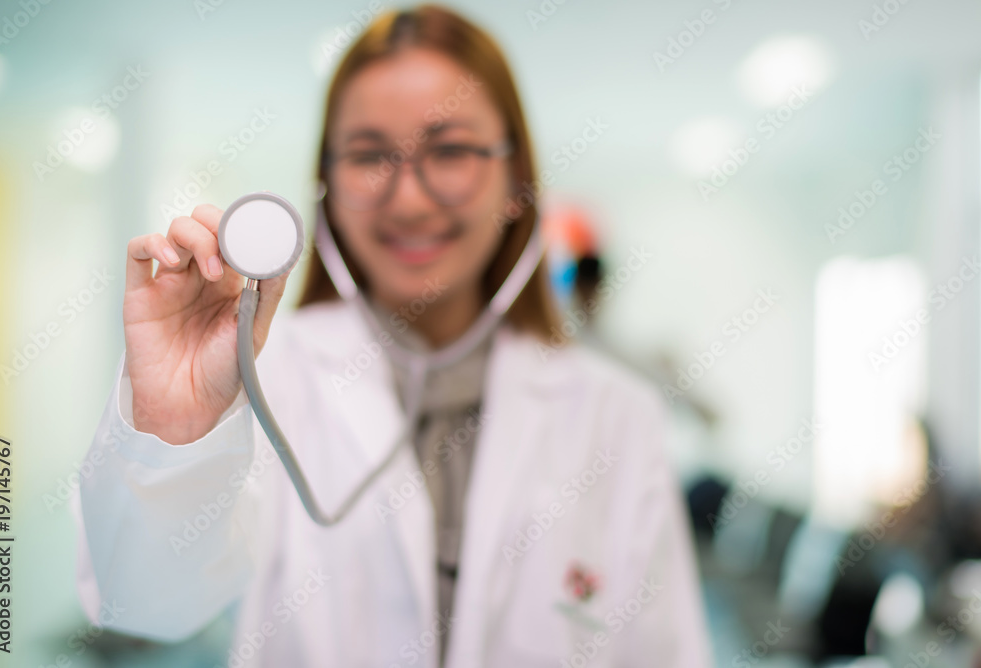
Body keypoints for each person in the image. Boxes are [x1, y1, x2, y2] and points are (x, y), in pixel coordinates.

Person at [72, 5, 712, 666]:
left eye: (451, 151)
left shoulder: (615, 417)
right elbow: (139, 602)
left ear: (516, 183)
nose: (408, 198)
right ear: (326, 185)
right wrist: (175, 428)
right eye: (369, 154)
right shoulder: (269, 380)